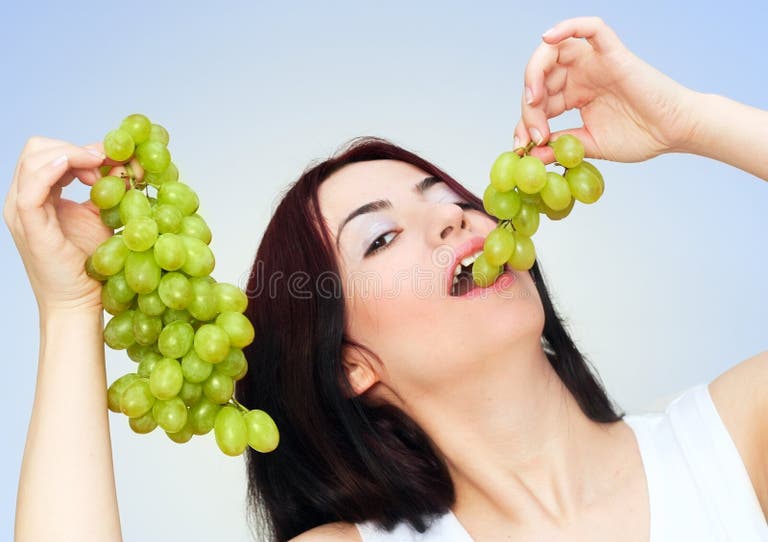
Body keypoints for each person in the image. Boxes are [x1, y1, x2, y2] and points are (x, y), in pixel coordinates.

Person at [6, 15, 767, 542]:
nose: (457, 221)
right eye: (382, 236)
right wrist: (72, 310)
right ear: (352, 365)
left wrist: (692, 121)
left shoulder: (730, 443)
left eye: (457, 202)